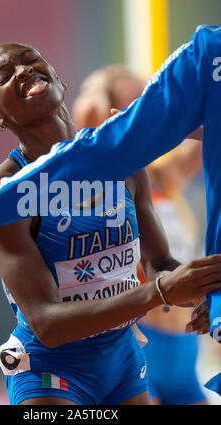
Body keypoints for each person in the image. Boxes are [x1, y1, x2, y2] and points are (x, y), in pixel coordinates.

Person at [0, 41, 220, 406]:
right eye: (5, 76)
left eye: (31, 60)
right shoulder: (2, 194)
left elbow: (157, 264)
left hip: (123, 358)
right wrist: (160, 292)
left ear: (60, 78)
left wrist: (207, 292)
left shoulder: (122, 158)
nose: (23, 70)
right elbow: (47, 325)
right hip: (51, 369)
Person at [72, 64, 208, 405]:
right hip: (139, 341)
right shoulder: (91, 180)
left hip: (184, 346)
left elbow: (207, 128)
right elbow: (86, 124)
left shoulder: (161, 175)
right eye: (137, 96)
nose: (148, 103)